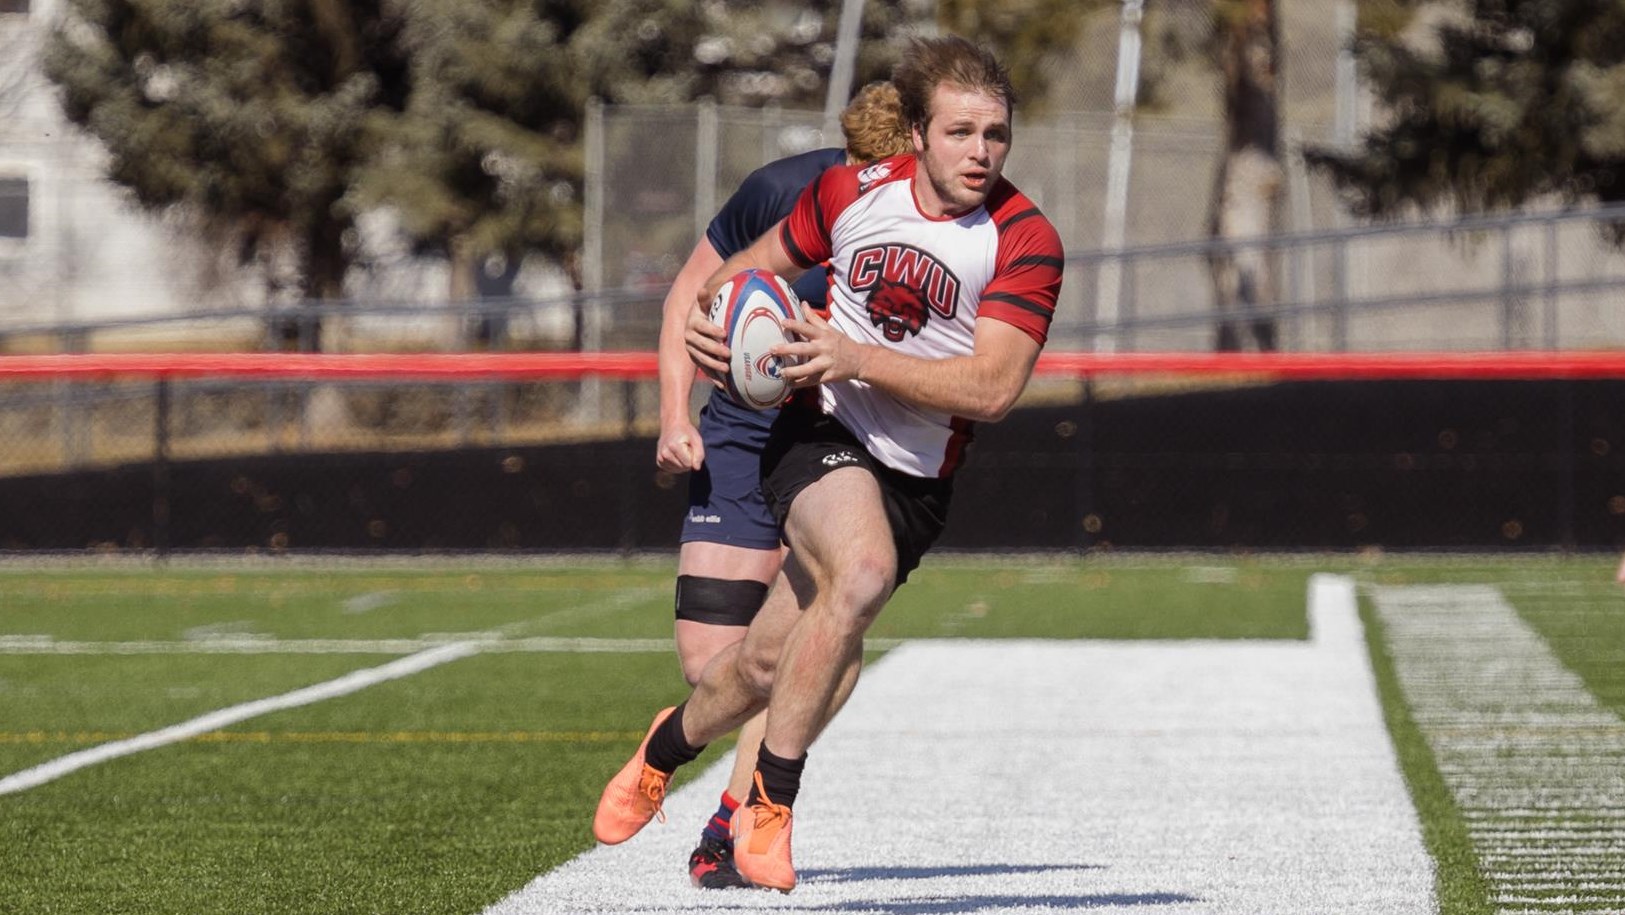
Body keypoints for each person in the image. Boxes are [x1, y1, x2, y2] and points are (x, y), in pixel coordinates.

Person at [596, 35, 1064, 893]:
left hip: (917, 475)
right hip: (817, 432)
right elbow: (739, 273)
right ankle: (768, 806)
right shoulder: (848, 193)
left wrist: (857, 354)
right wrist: (714, 322)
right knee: (860, 573)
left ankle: (663, 749)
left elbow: (992, 390)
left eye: (995, 134)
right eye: (960, 132)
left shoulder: (1024, 238)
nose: (980, 152)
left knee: (760, 667)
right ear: (916, 133)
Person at [652, 81, 911, 889]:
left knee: (826, 640)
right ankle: (693, 750)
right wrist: (672, 413)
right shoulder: (782, 191)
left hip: (839, 437)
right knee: (711, 664)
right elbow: (687, 295)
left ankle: (731, 819)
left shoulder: (936, 228)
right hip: (738, 431)